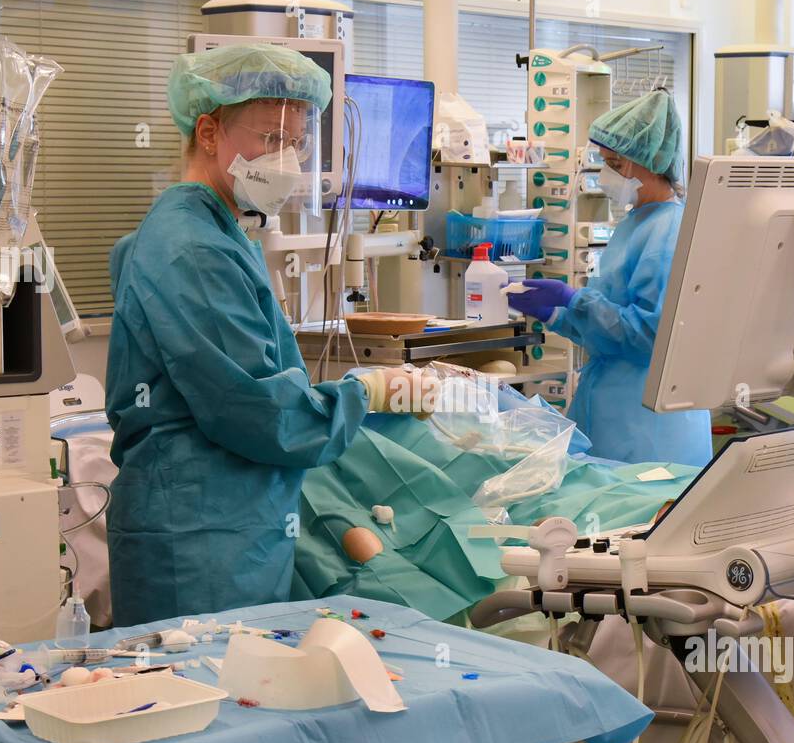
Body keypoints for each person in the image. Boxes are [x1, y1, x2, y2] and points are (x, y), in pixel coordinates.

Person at [105, 44, 433, 627]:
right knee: (206, 700)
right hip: (203, 536)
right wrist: (366, 393)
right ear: (209, 132)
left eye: (297, 142)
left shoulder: (213, 232)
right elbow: (254, 408)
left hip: (224, 519)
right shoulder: (195, 249)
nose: (288, 159)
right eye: (270, 139)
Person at [507, 91, 712, 467]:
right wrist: (556, 315)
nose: (606, 173)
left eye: (614, 163)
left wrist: (574, 300)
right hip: (612, 415)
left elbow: (649, 336)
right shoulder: (632, 225)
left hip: (649, 429)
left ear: (648, 164)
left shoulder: (668, 233)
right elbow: (608, 327)